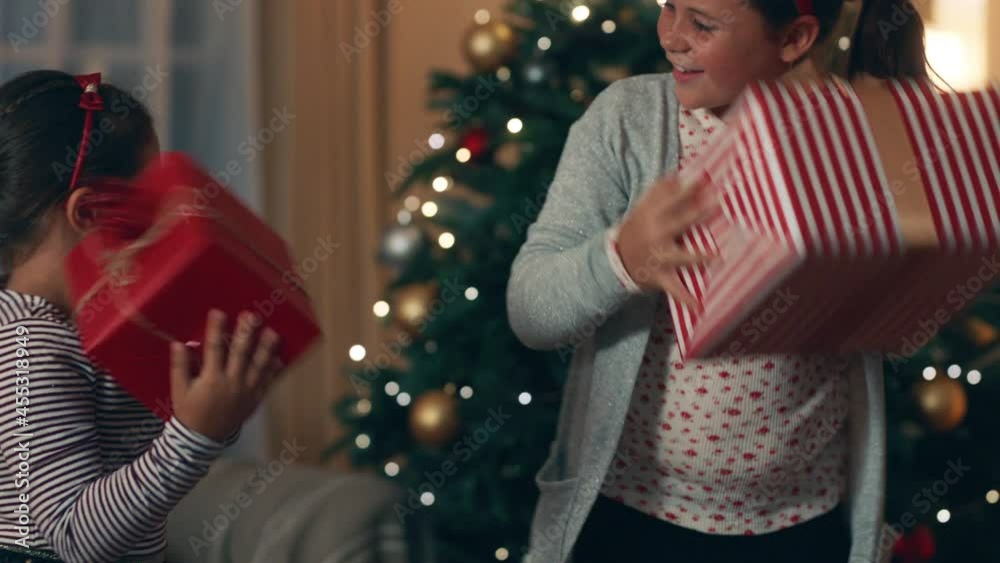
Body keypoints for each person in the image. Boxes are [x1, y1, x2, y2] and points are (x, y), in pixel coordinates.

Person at [506, 1, 930, 562]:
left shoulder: (861, 136)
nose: (671, 36)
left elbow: (902, 326)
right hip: (629, 519)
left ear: (794, 38)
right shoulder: (630, 120)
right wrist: (621, 259)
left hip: (803, 530)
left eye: (703, 24)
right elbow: (530, 310)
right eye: (669, 6)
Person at [0, 70, 284, 563]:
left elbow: (140, 468)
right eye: (152, 201)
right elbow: (75, 535)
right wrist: (195, 435)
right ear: (89, 213)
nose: (163, 224)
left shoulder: (89, 323)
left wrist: (214, 403)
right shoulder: (30, 347)